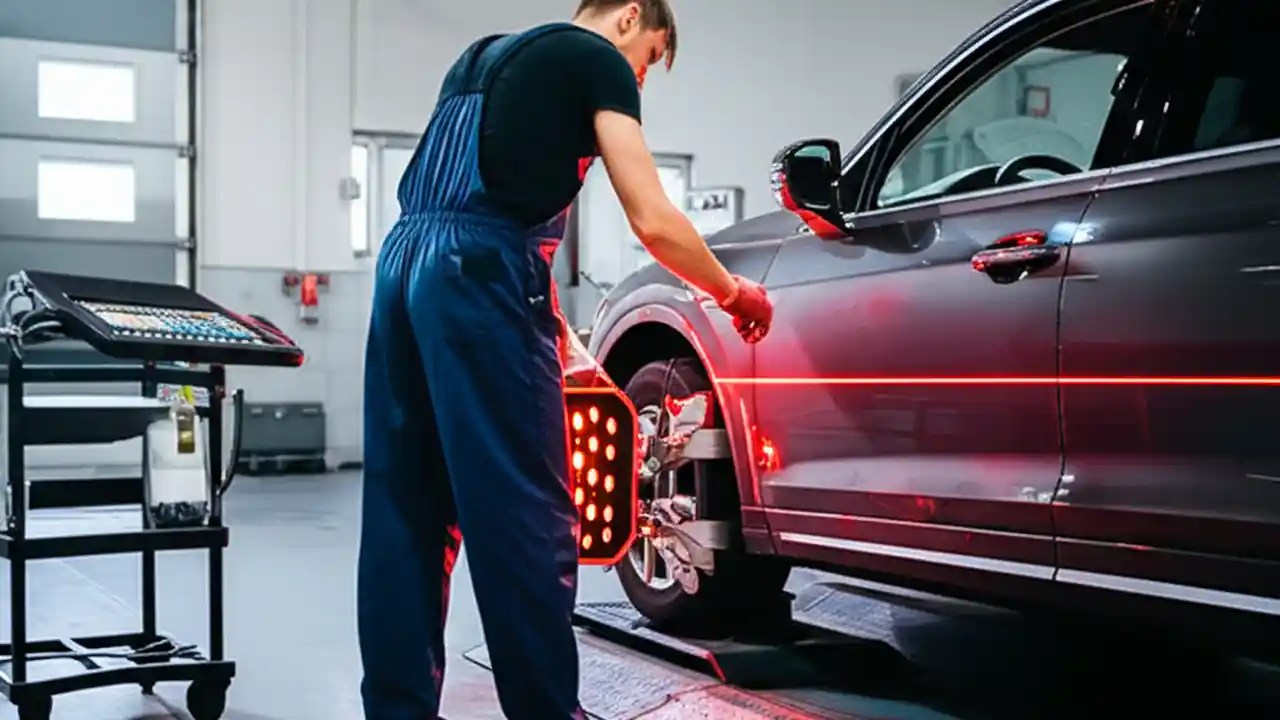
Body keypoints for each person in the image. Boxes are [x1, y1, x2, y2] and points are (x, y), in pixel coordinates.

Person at [356, 1, 773, 717]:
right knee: (522, 511)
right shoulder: (597, 61)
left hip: (402, 268)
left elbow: (484, 200)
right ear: (631, 17)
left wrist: (560, 335)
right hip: (479, 273)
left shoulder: (483, 54)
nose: (640, 75)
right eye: (648, 57)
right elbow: (651, 217)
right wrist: (734, 293)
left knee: (406, 510)